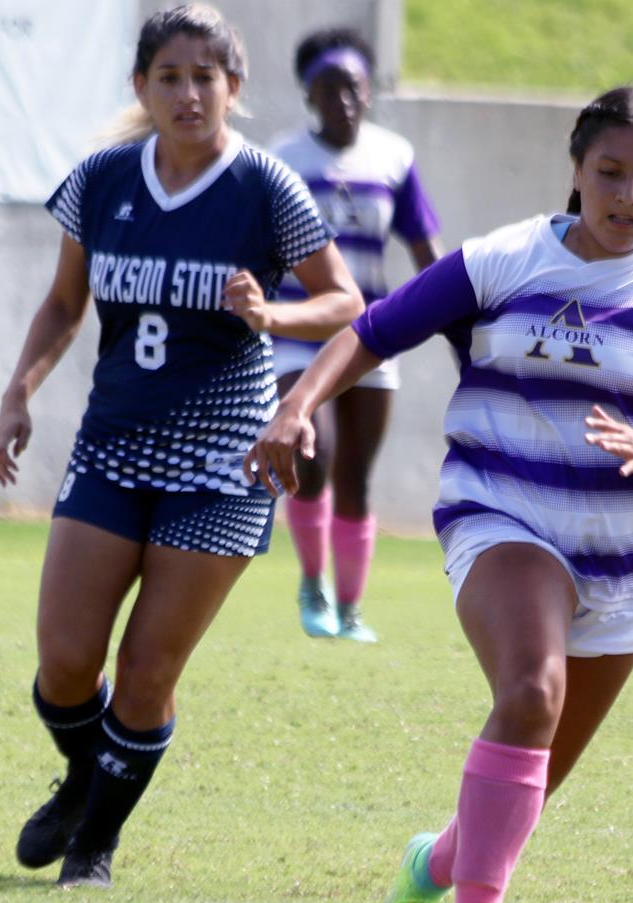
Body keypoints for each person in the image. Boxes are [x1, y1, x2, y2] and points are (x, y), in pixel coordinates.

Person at [251, 86, 633, 903]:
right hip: (504, 514)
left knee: (527, 783)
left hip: (629, 560)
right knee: (530, 694)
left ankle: (431, 866)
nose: (629, 195)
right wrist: (296, 406)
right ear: (576, 169)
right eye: (610, 172)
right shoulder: (503, 259)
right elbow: (369, 329)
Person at [0, 5, 361, 888]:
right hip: (113, 445)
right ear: (141, 88)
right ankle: (82, 778)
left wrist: (276, 314)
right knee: (67, 661)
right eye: (169, 78)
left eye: (205, 78)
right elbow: (65, 302)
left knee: (147, 669)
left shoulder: (265, 186)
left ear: (234, 87)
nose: (189, 94)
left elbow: (343, 302)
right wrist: (17, 393)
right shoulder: (102, 179)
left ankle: (95, 846)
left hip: (223, 460)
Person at [266, 28, 445, 643]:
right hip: (300, 331)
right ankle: (312, 587)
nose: (343, 99)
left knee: (358, 476)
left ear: (370, 93)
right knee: (315, 457)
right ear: (308, 94)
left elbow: (427, 249)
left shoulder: (393, 157)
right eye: (328, 87)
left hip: (373, 334)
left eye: (354, 86)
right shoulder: (283, 158)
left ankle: (351, 609)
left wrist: (455, 316)